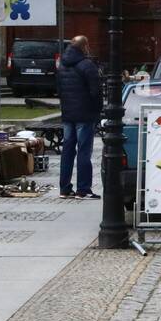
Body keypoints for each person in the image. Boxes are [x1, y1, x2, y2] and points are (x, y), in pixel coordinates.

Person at [56, 35, 102, 199]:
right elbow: (96, 91)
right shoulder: (87, 65)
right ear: (85, 46)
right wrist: (98, 112)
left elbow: (59, 90)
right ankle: (83, 189)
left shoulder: (62, 65)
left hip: (68, 114)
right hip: (85, 114)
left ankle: (65, 188)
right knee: (83, 151)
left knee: (67, 151)